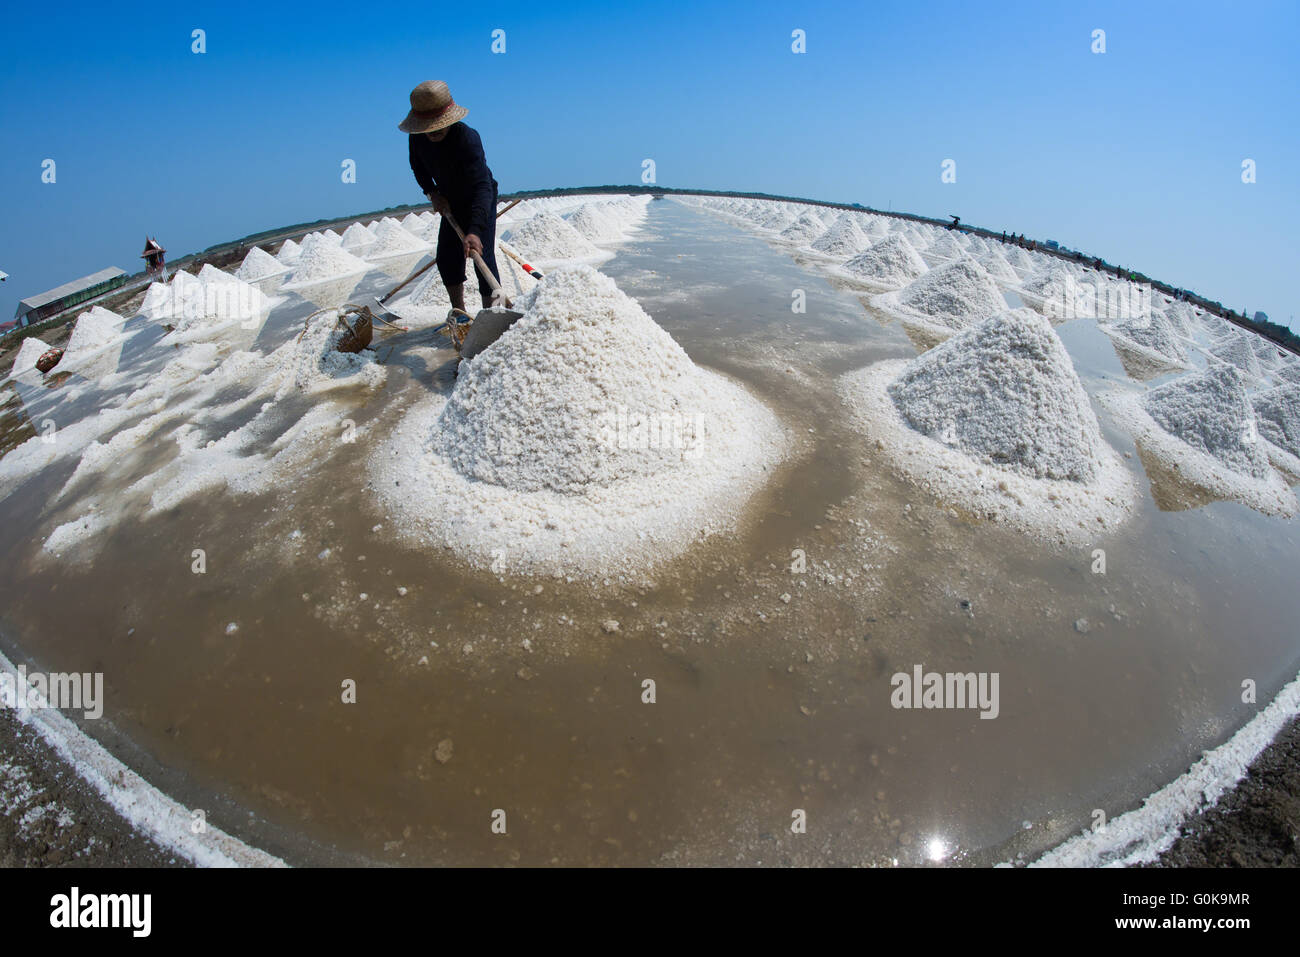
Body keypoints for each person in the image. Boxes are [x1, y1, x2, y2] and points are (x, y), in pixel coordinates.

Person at [401, 80, 501, 314]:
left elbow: (482, 187)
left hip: (478, 196)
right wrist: (432, 193)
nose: (433, 131)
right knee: (446, 257)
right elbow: (418, 168)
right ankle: (460, 312)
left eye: (438, 126)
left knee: (481, 255)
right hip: (449, 201)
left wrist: (475, 230)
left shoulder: (467, 139)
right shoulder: (416, 138)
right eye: (428, 127)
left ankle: (492, 316)